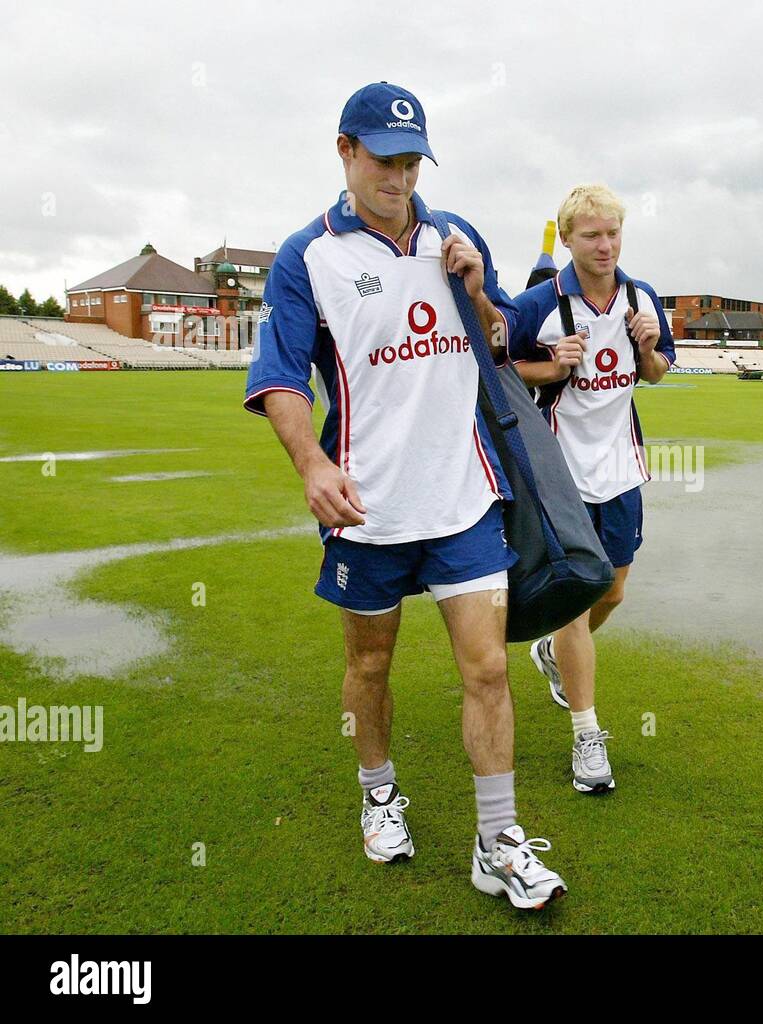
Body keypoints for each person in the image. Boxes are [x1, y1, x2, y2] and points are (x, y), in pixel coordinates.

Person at [243, 81, 566, 910]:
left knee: (489, 669)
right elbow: (280, 376)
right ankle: (379, 792)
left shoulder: (456, 234)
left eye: (412, 160)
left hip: (463, 495)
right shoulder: (303, 256)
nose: (400, 177)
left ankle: (498, 845)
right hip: (367, 503)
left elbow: (500, 343)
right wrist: (312, 465)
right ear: (345, 152)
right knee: (371, 662)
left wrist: (479, 290)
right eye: (384, 159)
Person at [507, 183, 675, 793]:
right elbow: (491, 360)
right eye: (591, 235)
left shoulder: (641, 296)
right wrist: (550, 366)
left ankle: (551, 655)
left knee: (612, 593)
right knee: (577, 598)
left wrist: (650, 348)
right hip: (559, 477)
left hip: (621, 470)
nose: (605, 245)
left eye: (612, 233)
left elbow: (655, 375)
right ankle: (587, 737)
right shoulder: (537, 304)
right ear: (569, 239)